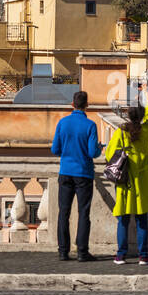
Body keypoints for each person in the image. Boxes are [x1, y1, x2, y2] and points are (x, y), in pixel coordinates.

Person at [104, 93, 148, 265]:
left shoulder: (121, 131)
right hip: (142, 180)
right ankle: (143, 255)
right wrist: (147, 96)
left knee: (123, 219)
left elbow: (109, 153)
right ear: (141, 117)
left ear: (128, 115)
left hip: (125, 179)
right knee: (142, 218)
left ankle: (121, 254)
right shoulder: (147, 130)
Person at [50, 90, 102, 262]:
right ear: (87, 105)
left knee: (63, 213)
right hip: (83, 174)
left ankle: (63, 251)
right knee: (83, 213)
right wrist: (99, 147)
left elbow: (55, 149)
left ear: (72, 104)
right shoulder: (90, 125)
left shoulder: (62, 123)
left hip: (65, 172)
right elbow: (92, 152)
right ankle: (82, 251)